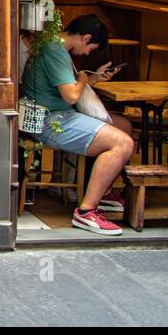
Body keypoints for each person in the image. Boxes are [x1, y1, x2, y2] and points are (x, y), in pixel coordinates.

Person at [21, 13, 133, 235]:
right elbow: (72, 95)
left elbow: (63, 88)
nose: (89, 52)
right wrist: (83, 78)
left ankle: (104, 191)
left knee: (123, 125)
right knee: (123, 143)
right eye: (92, 47)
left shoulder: (53, 45)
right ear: (86, 37)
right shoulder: (55, 50)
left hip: (55, 113)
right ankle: (86, 211)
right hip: (50, 120)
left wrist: (94, 78)